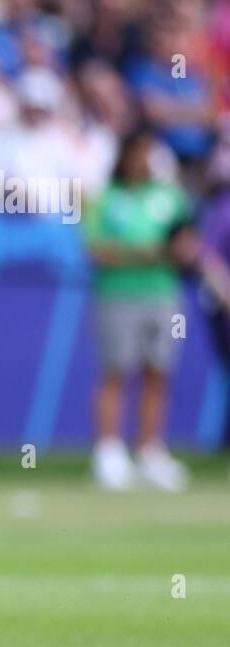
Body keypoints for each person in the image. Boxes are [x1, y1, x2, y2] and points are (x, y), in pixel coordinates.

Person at [85, 128, 190, 490]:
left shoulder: (170, 196)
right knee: (116, 371)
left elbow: (185, 246)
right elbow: (97, 250)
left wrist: (166, 253)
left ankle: (149, 451)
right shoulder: (107, 198)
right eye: (139, 153)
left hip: (162, 294)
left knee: (157, 371)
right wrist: (142, 254)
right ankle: (109, 451)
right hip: (118, 294)